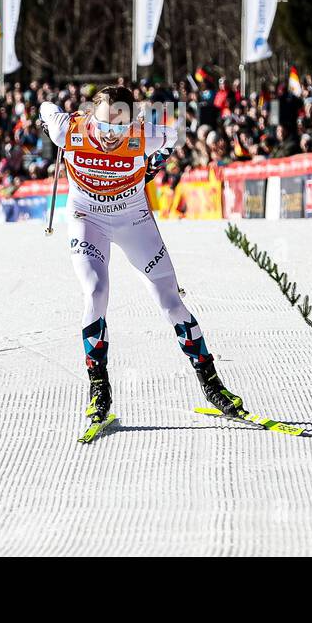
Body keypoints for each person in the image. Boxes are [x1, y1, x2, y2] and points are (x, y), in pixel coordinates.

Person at [39, 84, 246, 428]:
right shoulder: (69, 129)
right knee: (96, 291)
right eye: (105, 126)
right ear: (92, 116)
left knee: (171, 303)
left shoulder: (143, 135)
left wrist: (153, 166)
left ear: (131, 122)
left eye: (119, 128)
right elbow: (47, 107)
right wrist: (44, 118)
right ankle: (99, 390)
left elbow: (175, 135)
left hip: (133, 220)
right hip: (87, 219)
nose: (110, 136)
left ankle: (212, 386)